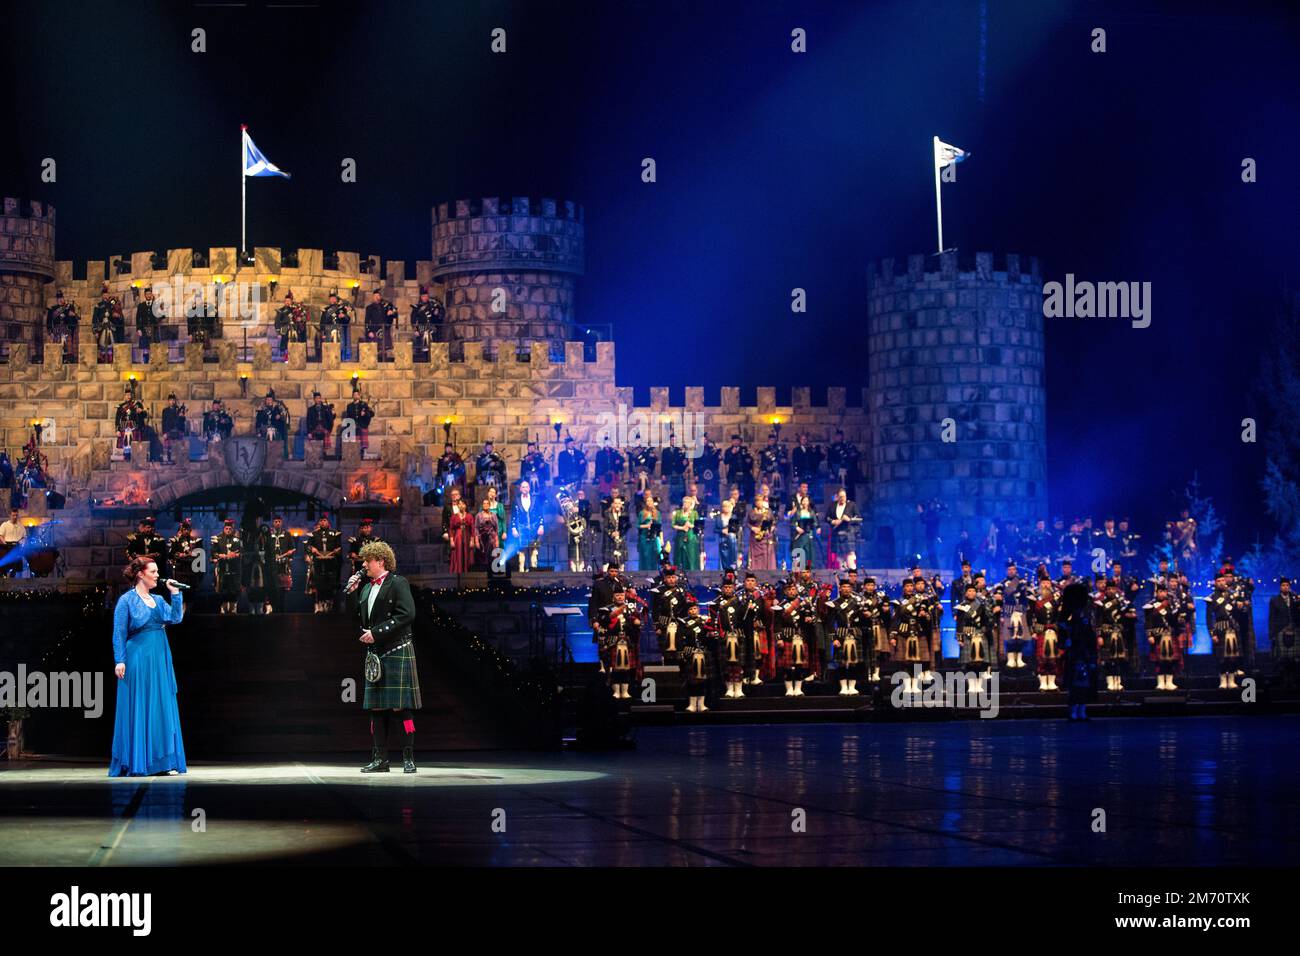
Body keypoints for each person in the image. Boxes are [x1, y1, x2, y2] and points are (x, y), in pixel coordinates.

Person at [344, 540, 420, 773]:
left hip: (396, 649)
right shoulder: (366, 588)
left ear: (381, 561)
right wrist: (352, 594)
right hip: (376, 655)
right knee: (376, 707)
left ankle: (408, 758)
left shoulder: (398, 583)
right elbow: (357, 616)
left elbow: (407, 614)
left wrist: (376, 634)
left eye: (368, 560)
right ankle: (380, 759)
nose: (364, 564)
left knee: (400, 707)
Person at [109, 558, 186, 777]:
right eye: (153, 571)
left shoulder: (159, 599)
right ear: (141, 574)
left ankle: (163, 762)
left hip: (160, 657)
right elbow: (119, 632)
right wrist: (120, 660)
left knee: (161, 706)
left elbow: (175, 618)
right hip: (138, 658)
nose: (157, 575)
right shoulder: (127, 601)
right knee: (141, 705)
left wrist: (176, 594)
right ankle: (138, 762)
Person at [1058, 582, 1098, 721]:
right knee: (1074, 683)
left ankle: (1082, 709)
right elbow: (1062, 631)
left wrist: (1092, 654)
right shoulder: (1067, 615)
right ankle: (1074, 710)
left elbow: (1090, 635)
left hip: (1084, 652)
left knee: (1084, 683)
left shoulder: (1085, 614)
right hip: (1073, 652)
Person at [307, 516, 343, 613]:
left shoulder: (335, 533)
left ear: (328, 522)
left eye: (324, 520)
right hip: (318, 562)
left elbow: (339, 547)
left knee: (330, 583)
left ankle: (329, 604)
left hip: (331, 562)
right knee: (319, 582)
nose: (322, 523)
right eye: (321, 521)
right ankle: (320, 603)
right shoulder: (314, 534)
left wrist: (337, 550)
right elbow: (308, 546)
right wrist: (312, 549)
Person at [509, 479, 545, 572]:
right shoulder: (516, 500)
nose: (525, 488)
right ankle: (521, 570)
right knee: (522, 550)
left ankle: (534, 569)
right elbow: (513, 515)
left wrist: (541, 525)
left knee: (534, 549)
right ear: (520, 489)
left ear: (529, 488)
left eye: (526, 487)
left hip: (534, 528)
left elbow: (540, 514)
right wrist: (513, 528)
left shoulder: (535, 499)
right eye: (523, 487)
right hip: (521, 528)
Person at [1270, 578, 1299, 690]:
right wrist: (1272, 633)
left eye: (1287, 585)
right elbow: (1271, 617)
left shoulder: (1294, 598)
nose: (1285, 587)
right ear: (1280, 587)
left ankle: (1292, 680)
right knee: (1283, 657)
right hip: (1280, 630)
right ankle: (1284, 680)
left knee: (1293, 657)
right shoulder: (1274, 600)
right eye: (1283, 585)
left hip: (1295, 629)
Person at [211, 517, 243, 614]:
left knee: (234, 588)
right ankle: (223, 607)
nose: (228, 530)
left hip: (235, 568)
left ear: (232, 529)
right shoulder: (218, 538)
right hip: (222, 568)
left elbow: (242, 551)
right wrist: (220, 555)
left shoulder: (238, 539)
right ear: (224, 528)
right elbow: (213, 552)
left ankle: (233, 607)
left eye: (230, 529)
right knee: (222, 589)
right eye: (226, 529)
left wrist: (235, 555)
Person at [671, 494, 701, 571]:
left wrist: (691, 525)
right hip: (680, 535)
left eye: (688, 503)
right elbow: (673, 525)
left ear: (691, 504)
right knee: (679, 554)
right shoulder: (677, 513)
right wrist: (682, 528)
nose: (686, 504)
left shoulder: (694, 513)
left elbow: (698, 526)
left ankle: (692, 570)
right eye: (684, 502)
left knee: (691, 554)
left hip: (691, 536)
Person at [746, 492, 776, 570]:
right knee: (756, 556)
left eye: (760, 501)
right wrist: (753, 528)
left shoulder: (768, 511)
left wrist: (770, 529)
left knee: (767, 554)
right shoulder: (751, 512)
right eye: (757, 501)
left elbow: (773, 523)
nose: (759, 503)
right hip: (756, 537)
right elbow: (747, 523)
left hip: (766, 536)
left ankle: (768, 569)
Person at [446, 495, 474, 572]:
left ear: (466, 505)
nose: (461, 505)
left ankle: (466, 570)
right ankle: (458, 570)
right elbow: (451, 529)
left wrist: (472, 540)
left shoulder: (469, 516)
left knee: (466, 553)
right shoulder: (454, 517)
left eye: (463, 504)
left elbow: (472, 529)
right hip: (457, 536)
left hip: (467, 536)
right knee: (458, 553)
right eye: (460, 504)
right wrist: (451, 541)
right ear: (458, 505)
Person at [637, 493, 662, 572]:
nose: (649, 503)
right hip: (644, 537)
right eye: (647, 501)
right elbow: (638, 526)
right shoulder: (642, 513)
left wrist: (661, 539)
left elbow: (660, 527)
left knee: (653, 555)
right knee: (645, 555)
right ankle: (644, 572)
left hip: (654, 537)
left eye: (651, 501)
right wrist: (646, 526)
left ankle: (654, 572)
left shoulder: (657, 513)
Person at [0, 507, 26, 577]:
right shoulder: (5, 525)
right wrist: (4, 543)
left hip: (17, 546)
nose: (15, 517)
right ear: (10, 515)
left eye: (16, 515)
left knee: (17, 558)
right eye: (13, 515)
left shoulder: (21, 526)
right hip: (6, 546)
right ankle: (4, 574)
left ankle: (12, 575)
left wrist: (22, 543)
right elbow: (1, 535)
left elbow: (24, 537)